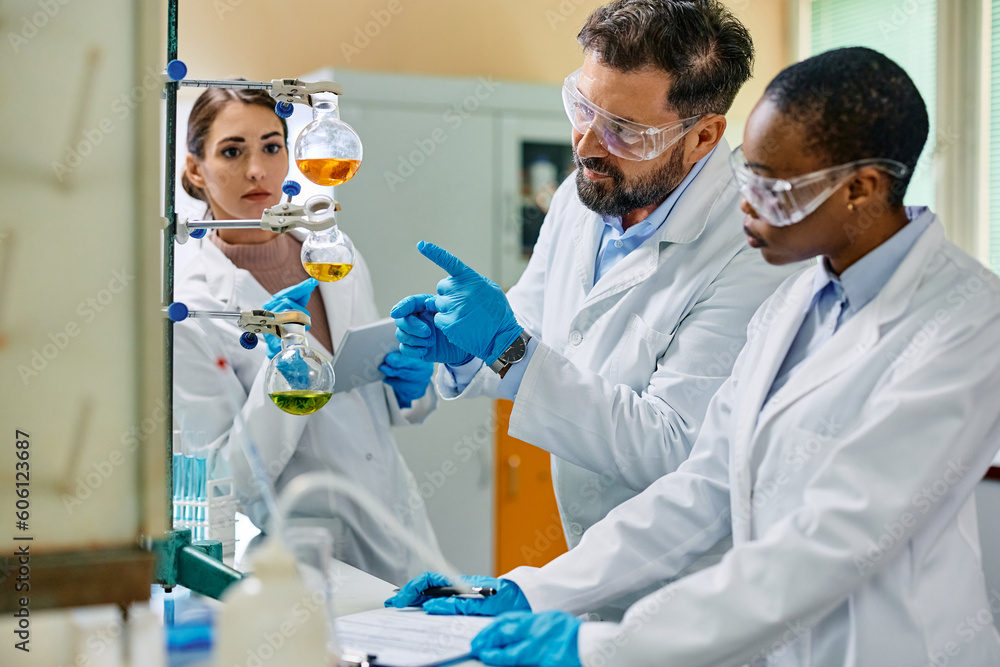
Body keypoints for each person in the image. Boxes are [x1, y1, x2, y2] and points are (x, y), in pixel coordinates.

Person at [389, 47, 1000, 666]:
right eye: (747, 174)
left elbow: (832, 542)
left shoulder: (968, 322)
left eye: (773, 187)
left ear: (861, 190)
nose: (746, 203)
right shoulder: (796, 305)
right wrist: (533, 590)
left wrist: (603, 648)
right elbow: (705, 486)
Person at [392, 0, 801, 563]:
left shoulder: (756, 245)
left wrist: (507, 348)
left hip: (697, 575)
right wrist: (469, 350)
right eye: (583, 108)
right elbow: (534, 330)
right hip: (594, 558)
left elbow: (676, 445)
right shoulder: (582, 197)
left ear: (704, 137)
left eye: (624, 130)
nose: (585, 145)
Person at [173, 87, 443, 585]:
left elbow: (371, 401)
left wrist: (413, 386)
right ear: (195, 169)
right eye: (232, 151)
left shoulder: (334, 255)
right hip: (310, 556)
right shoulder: (193, 309)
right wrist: (283, 383)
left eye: (272, 146)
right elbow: (224, 484)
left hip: (401, 526)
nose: (257, 170)